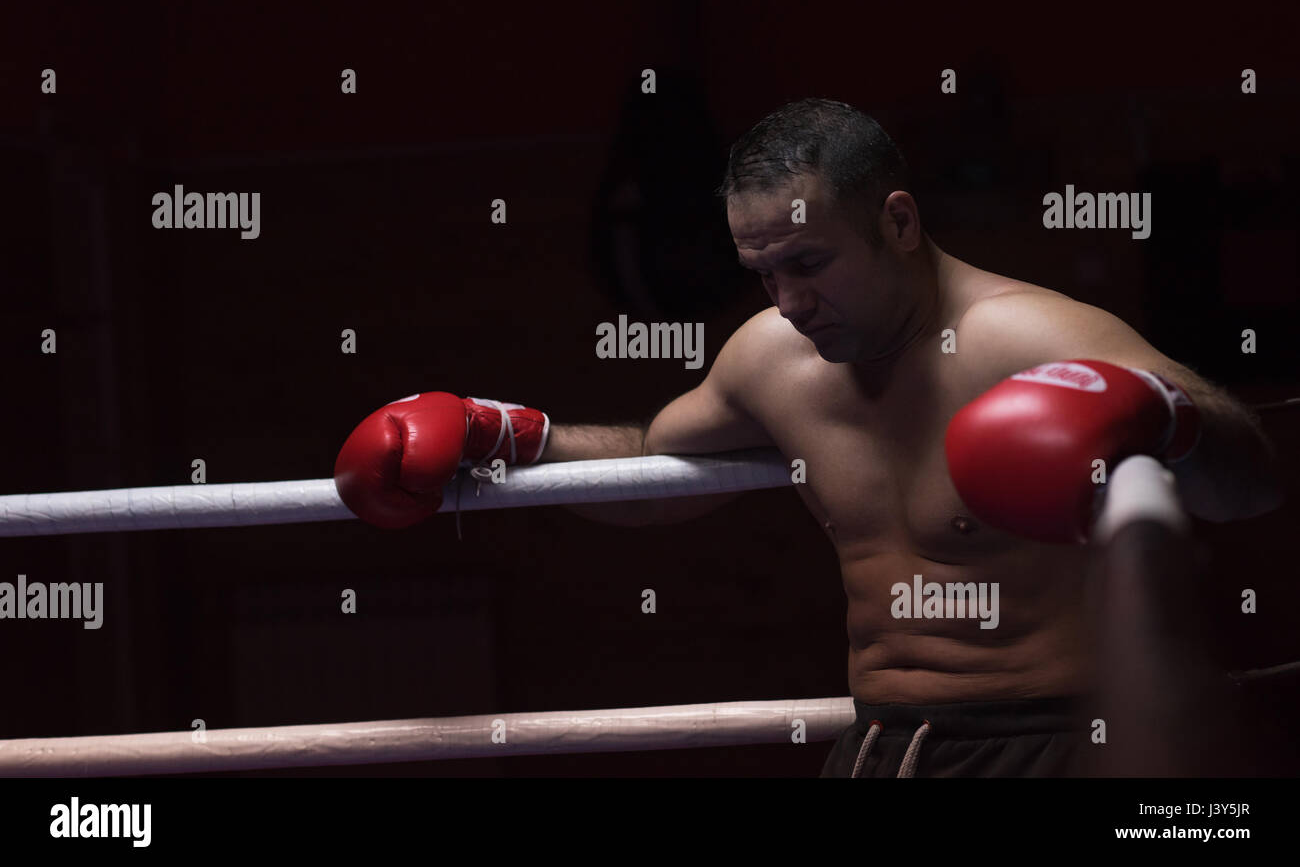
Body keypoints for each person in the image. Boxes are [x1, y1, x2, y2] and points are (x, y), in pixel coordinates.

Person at [334, 98, 1283, 776]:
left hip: (1069, 739)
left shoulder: (1036, 341)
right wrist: (504, 434)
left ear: (898, 222)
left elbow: (1255, 479)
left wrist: (1167, 416)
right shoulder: (772, 359)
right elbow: (669, 469)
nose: (790, 301)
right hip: (883, 744)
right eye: (762, 272)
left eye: (809, 263)